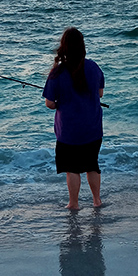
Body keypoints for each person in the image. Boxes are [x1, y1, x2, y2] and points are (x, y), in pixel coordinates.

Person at [43, 27, 105, 209]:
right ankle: (96, 201)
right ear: (82, 46)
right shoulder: (93, 67)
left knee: (72, 169)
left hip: (68, 131)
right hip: (92, 128)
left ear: (64, 47)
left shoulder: (57, 73)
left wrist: (59, 102)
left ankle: (74, 204)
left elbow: (49, 103)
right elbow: (100, 94)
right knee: (92, 165)